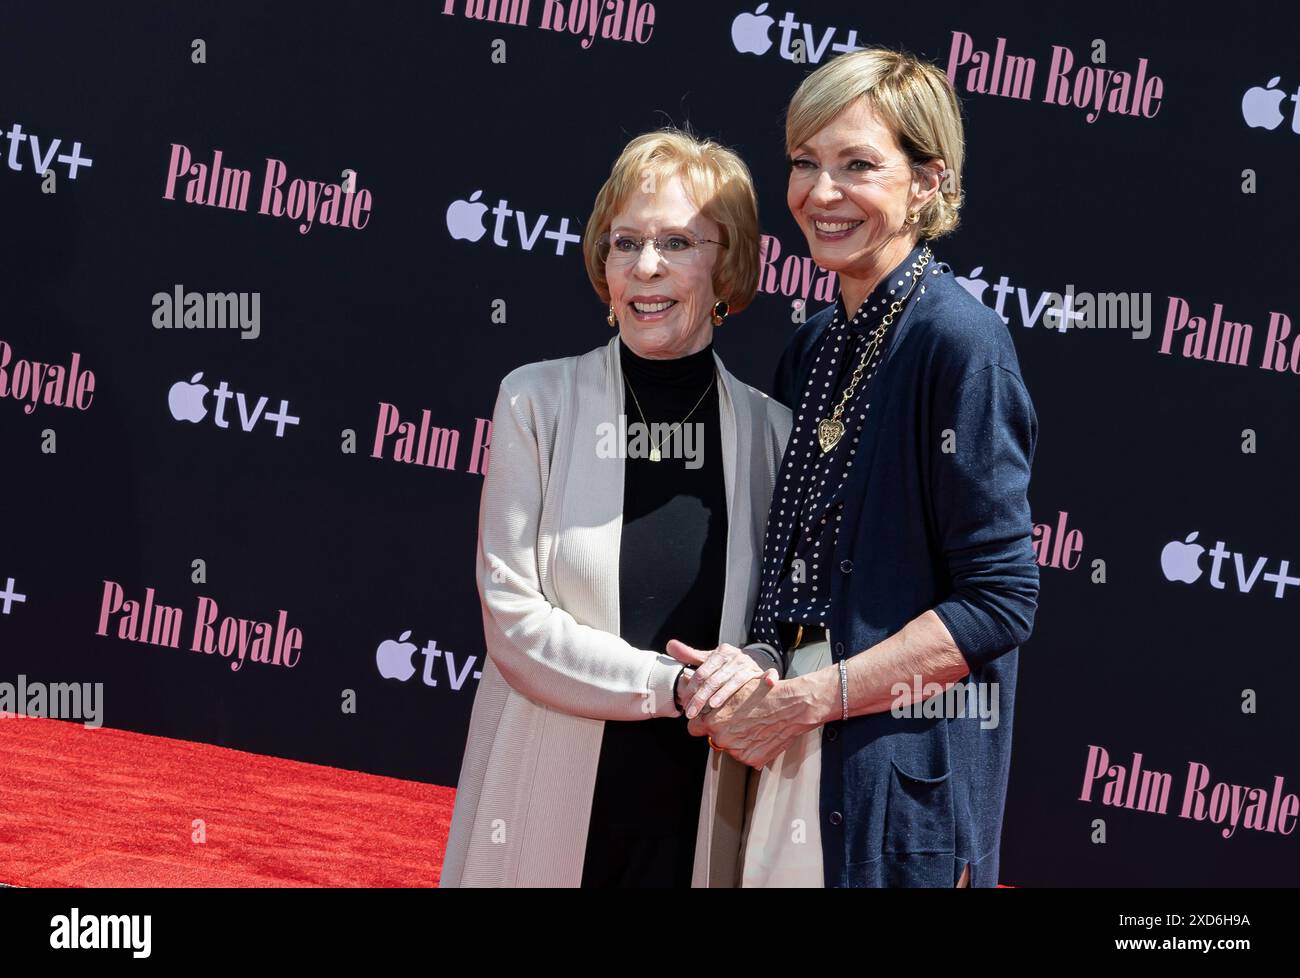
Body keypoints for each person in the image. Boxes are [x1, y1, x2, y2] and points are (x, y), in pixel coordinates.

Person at [670, 47, 1040, 888]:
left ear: (928, 182)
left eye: (858, 165)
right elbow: (799, 567)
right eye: (806, 162)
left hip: (890, 782)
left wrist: (806, 700)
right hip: (794, 755)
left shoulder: (961, 345)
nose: (820, 193)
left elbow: (1000, 600)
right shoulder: (815, 346)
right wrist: (759, 661)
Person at [439, 128, 791, 887]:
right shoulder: (536, 401)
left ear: (725, 265)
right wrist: (669, 686)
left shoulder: (773, 431)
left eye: (677, 241)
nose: (647, 266)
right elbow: (512, 618)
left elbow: (779, 627)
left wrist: (752, 670)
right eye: (625, 241)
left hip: (700, 804)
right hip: (546, 792)